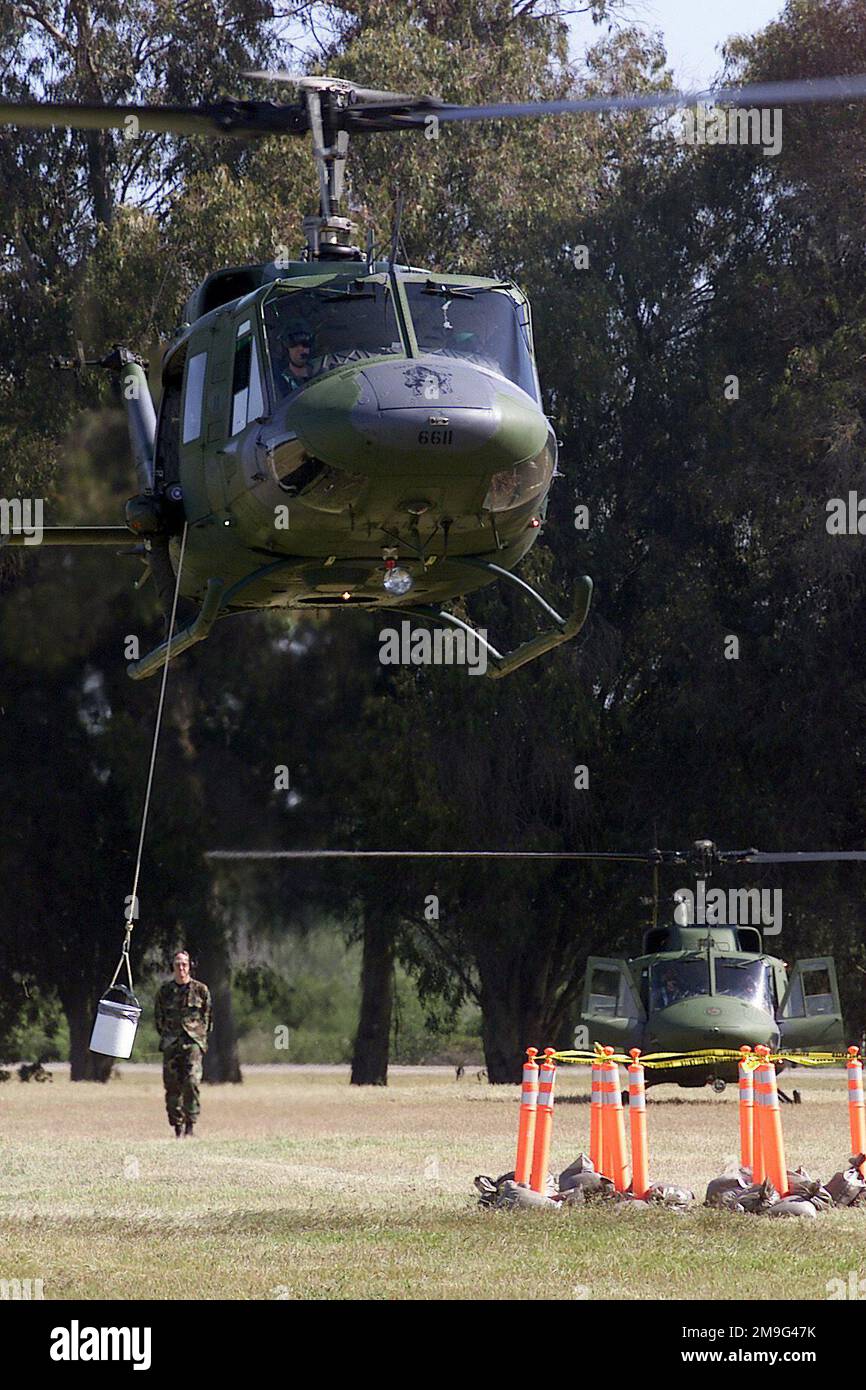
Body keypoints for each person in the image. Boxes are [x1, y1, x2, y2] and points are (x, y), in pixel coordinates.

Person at [154, 949, 212, 1137]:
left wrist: (200, 1038)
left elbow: (207, 1017)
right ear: (173, 966)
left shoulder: (200, 990)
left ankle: (191, 1125)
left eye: (184, 964)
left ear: (190, 966)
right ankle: (177, 1126)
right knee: (172, 1086)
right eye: (178, 964)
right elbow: (158, 1018)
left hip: (193, 1041)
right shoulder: (165, 991)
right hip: (172, 1041)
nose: (181, 967)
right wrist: (167, 1035)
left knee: (192, 1081)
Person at [275, 317, 314, 394]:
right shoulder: (280, 386)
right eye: (294, 344)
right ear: (285, 349)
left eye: (305, 343)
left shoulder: (321, 370)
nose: (301, 349)